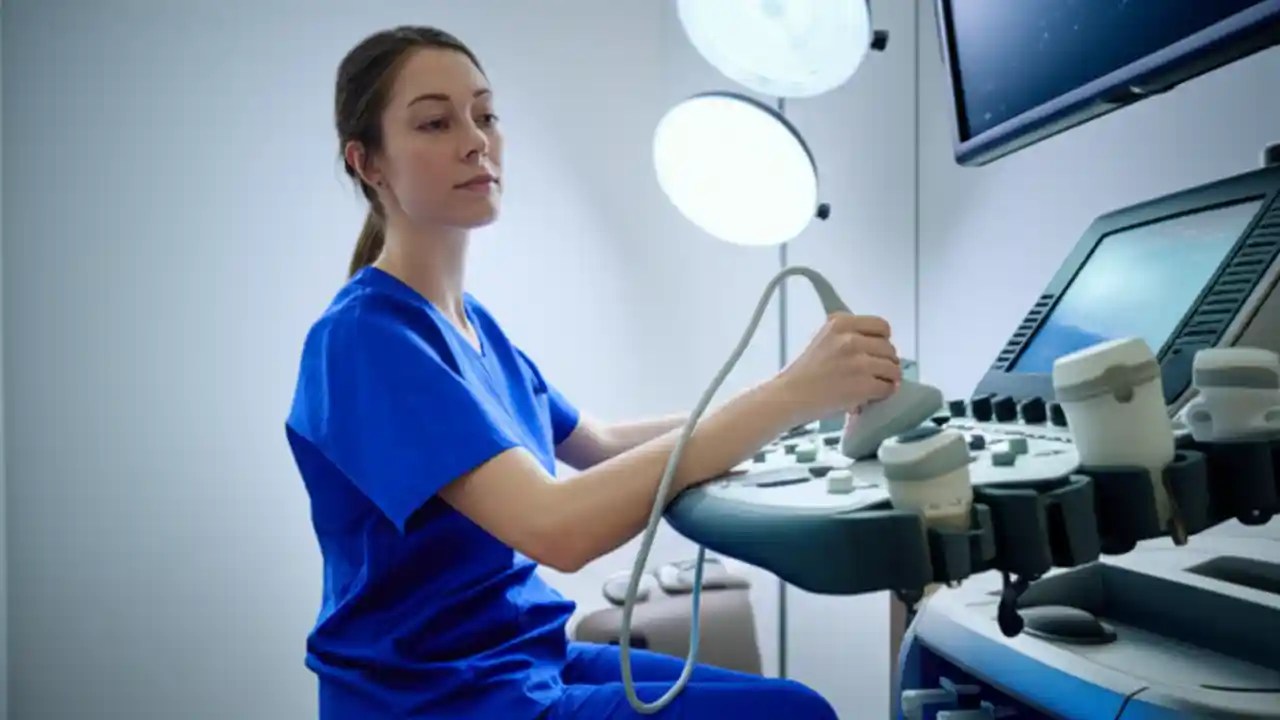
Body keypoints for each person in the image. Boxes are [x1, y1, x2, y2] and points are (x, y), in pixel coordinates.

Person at [285, 25, 904, 720]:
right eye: (435, 122)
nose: (475, 140)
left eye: (485, 114)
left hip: (520, 655)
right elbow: (558, 528)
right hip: (433, 698)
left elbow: (600, 443)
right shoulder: (363, 342)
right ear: (368, 163)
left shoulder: (472, 326)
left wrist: (799, 407)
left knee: (794, 704)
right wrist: (781, 398)